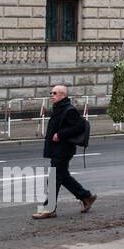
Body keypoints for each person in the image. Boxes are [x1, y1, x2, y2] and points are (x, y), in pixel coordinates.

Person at [32, 84, 96, 219]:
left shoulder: (69, 110)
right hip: (57, 149)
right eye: (51, 93)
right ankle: (86, 196)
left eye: (54, 93)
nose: (51, 95)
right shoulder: (59, 108)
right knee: (64, 177)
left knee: (54, 178)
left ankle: (49, 209)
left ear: (63, 95)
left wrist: (60, 135)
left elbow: (79, 126)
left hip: (64, 149)